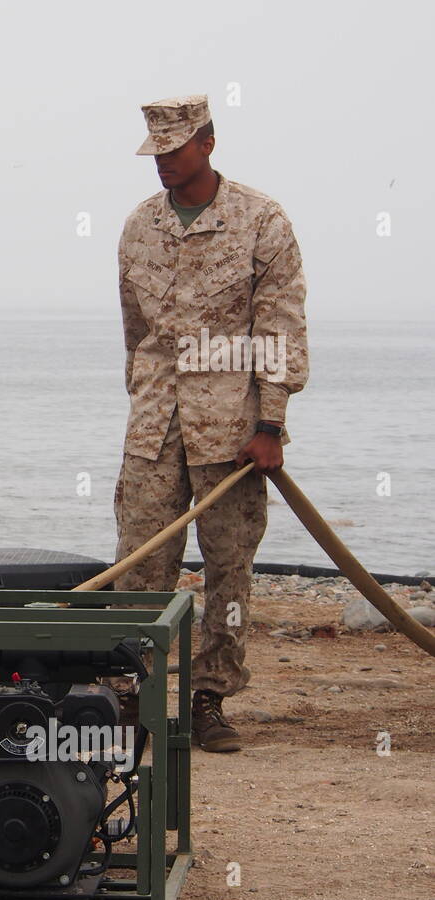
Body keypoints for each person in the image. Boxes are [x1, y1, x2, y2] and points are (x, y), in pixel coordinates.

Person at [115, 94, 308, 752]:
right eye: (156, 154)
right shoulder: (140, 227)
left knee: (228, 569)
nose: (164, 164)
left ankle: (208, 697)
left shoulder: (261, 222)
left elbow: (279, 325)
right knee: (141, 564)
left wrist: (272, 424)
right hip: (154, 428)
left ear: (208, 142)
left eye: (174, 150)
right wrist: (142, 394)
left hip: (232, 431)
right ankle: (129, 693)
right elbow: (135, 331)